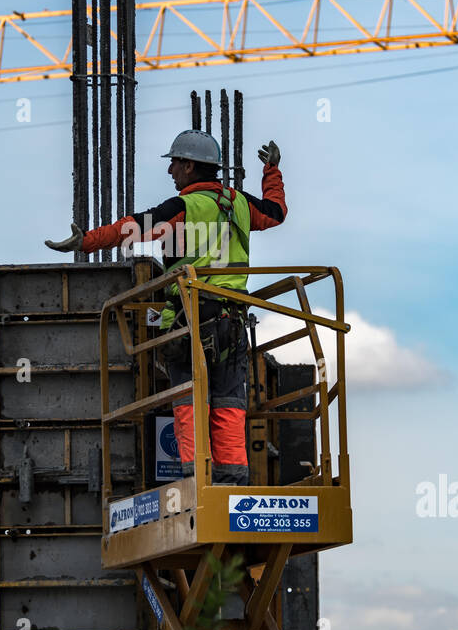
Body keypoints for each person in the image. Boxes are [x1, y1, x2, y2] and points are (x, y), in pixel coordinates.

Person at [45, 131, 286, 485]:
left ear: (190, 165)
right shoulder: (238, 203)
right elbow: (276, 212)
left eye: (175, 163)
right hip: (233, 322)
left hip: (192, 321)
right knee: (229, 404)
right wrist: (272, 172)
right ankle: (232, 485)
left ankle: (195, 483)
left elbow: (134, 228)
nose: (171, 170)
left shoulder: (184, 208)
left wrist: (86, 241)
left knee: (188, 400)